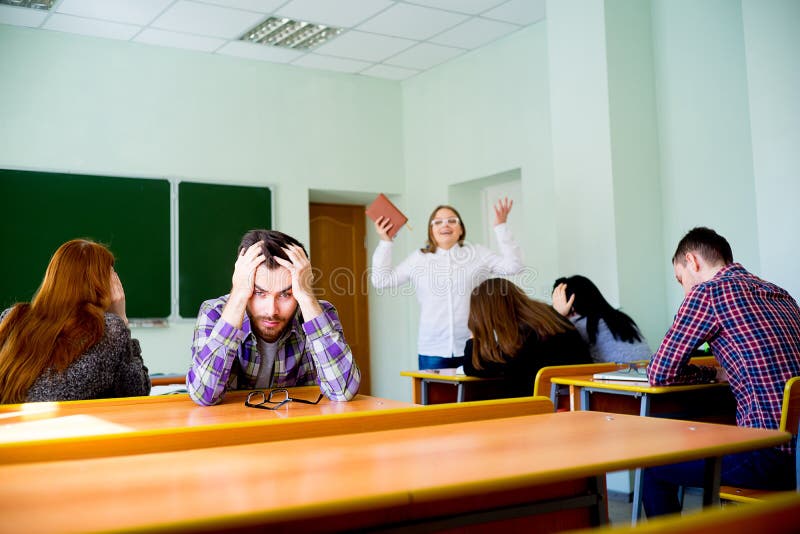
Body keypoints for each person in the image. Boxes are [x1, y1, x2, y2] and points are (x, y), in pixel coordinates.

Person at [643, 227, 800, 517]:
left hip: (770, 456)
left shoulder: (708, 293)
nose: (684, 290)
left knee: (653, 467)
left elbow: (659, 372)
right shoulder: (779, 294)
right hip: (797, 454)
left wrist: (707, 375)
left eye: (681, 279)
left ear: (692, 261)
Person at [187, 229, 361, 406]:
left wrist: (307, 297)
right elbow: (203, 395)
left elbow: (343, 391)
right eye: (259, 293)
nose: (272, 310)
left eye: (286, 294)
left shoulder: (320, 313)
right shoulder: (215, 312)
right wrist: (239, 295)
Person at [371, 199, 524, 370]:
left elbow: (514, 266)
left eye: (452, 220)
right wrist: (385, 242)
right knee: (435, 397)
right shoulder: (418, 259)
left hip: (475, 346)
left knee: (476, 397)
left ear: (460, 229)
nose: (445, 225)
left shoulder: (478, 254)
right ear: (431, 230)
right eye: (438, 222)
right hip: (432, 351)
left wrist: (500, 227)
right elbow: (381, 280)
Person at [0, 239, 150, 403]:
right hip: (68, 426)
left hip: (10, 426)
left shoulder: (12, 317)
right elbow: (137, 391)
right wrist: (122, 320)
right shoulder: (109, 330)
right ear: (103, 285)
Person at [462, 278, 591, 397]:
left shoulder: (521, 336)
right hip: (578, 400)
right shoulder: (548, 317)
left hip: (543, 407)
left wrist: (474, 335)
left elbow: (475, 367)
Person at [552, 275, 651, 363]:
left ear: (569, 304)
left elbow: (556, 351)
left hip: (615, 382)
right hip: (648, 378)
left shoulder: (579, 325)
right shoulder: (623, 319)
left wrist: (558, 315)